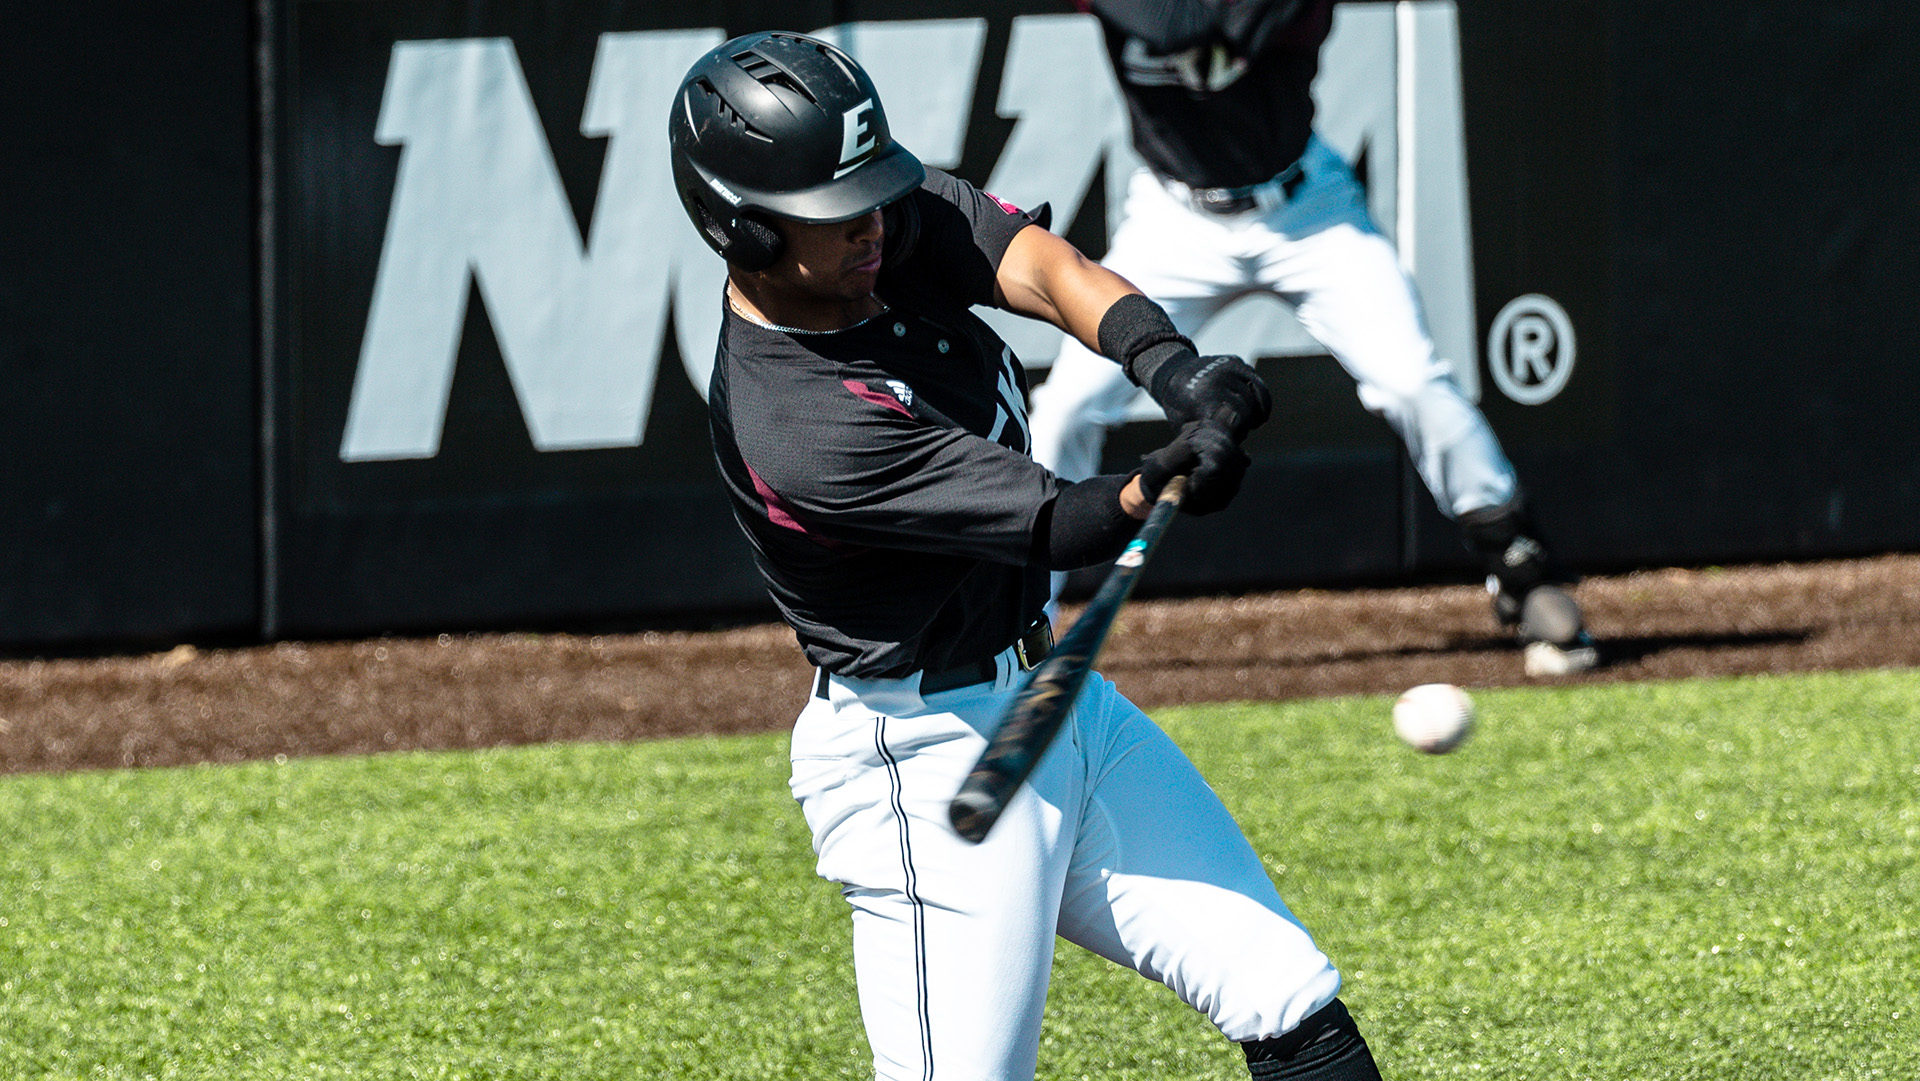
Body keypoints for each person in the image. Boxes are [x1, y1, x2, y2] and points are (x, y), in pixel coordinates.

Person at [670, 30, 1384, 1081]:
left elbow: (1042, 268)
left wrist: (1173, 371)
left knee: (1291, 1004)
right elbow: (1052, 521)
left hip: (1055, 698)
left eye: (874, 194)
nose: (873, 224)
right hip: (928, 760)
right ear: (743, 229)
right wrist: (1160, 482)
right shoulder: (802, 426)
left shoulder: (874, 226)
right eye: (836, 211)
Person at [1027, 0, 1599, 676]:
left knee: (1411, 381)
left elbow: (1184, 26)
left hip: (1305, 210)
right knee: (1065, 408)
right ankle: (1026, 615)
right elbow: (1178, 23)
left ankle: (1520, 566)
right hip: (1173, 217)